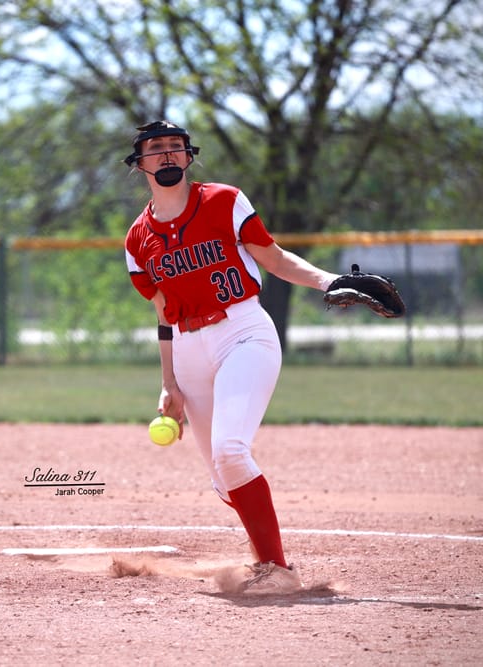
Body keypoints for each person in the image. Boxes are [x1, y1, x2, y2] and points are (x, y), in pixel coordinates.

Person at [123, 120, 340, 594]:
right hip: (187, 350)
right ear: (139, 163)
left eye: (175, 148)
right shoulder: (138, 239)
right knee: (223, 477)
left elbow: (276, 259)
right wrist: (169, 384)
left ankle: (277, 570)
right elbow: (163, 313)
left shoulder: (224, 200)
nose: (166, 156)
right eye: (155, 149)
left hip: (242, 331)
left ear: (188, 157)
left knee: (230, 450)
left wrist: (329, 281)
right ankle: (264, 560)